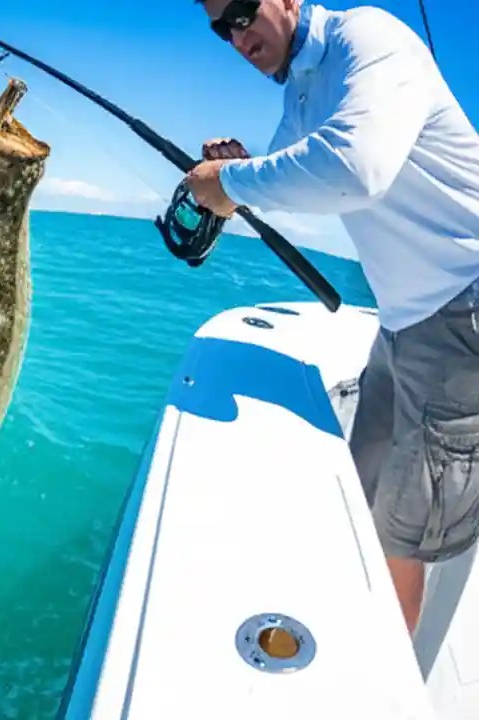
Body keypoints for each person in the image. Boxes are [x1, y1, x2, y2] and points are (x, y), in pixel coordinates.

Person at [185, 0, 479, 636]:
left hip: (463, 311)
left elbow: (353, 170)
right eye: (221, 27)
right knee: (364, 488)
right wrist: (240, 171)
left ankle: (383, 685)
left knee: (401, 533)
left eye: (242, 11)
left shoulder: (366, 36)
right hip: (403, 322)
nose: (237, 36)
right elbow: (296, 185)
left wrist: (233, 180)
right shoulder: (301, 94)